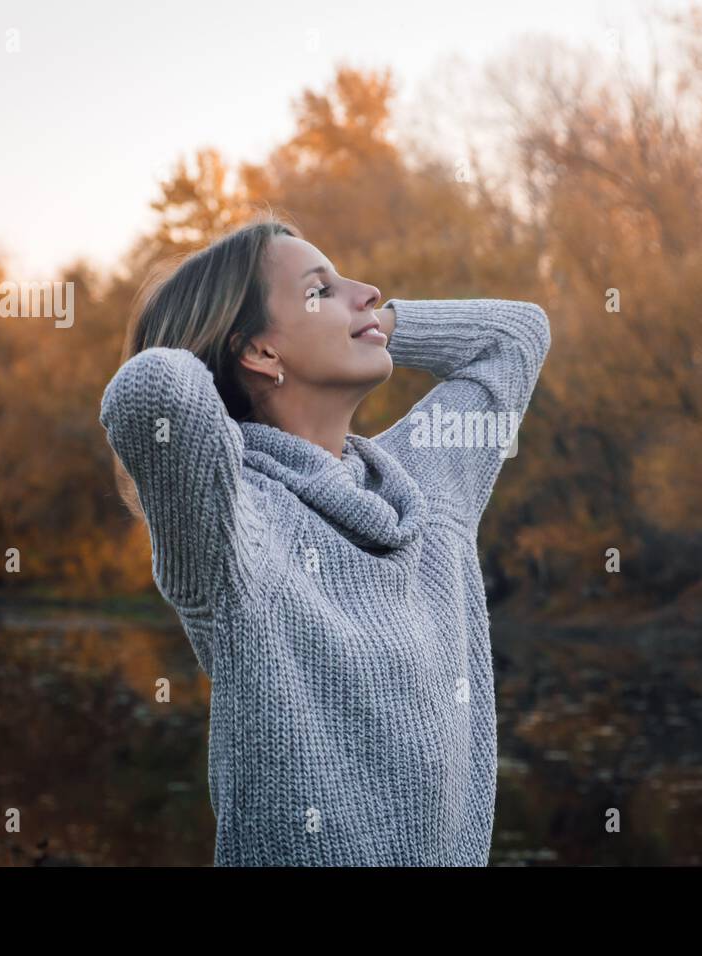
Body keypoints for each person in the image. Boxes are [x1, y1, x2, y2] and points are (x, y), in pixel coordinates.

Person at [99, 213, 551, 865]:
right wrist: (212, 311)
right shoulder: (237, 527)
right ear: (258, 351)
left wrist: (374, 321)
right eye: (321, 289)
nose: (365, 289)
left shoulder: (427, 481)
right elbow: (152, 393)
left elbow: (516, 335)